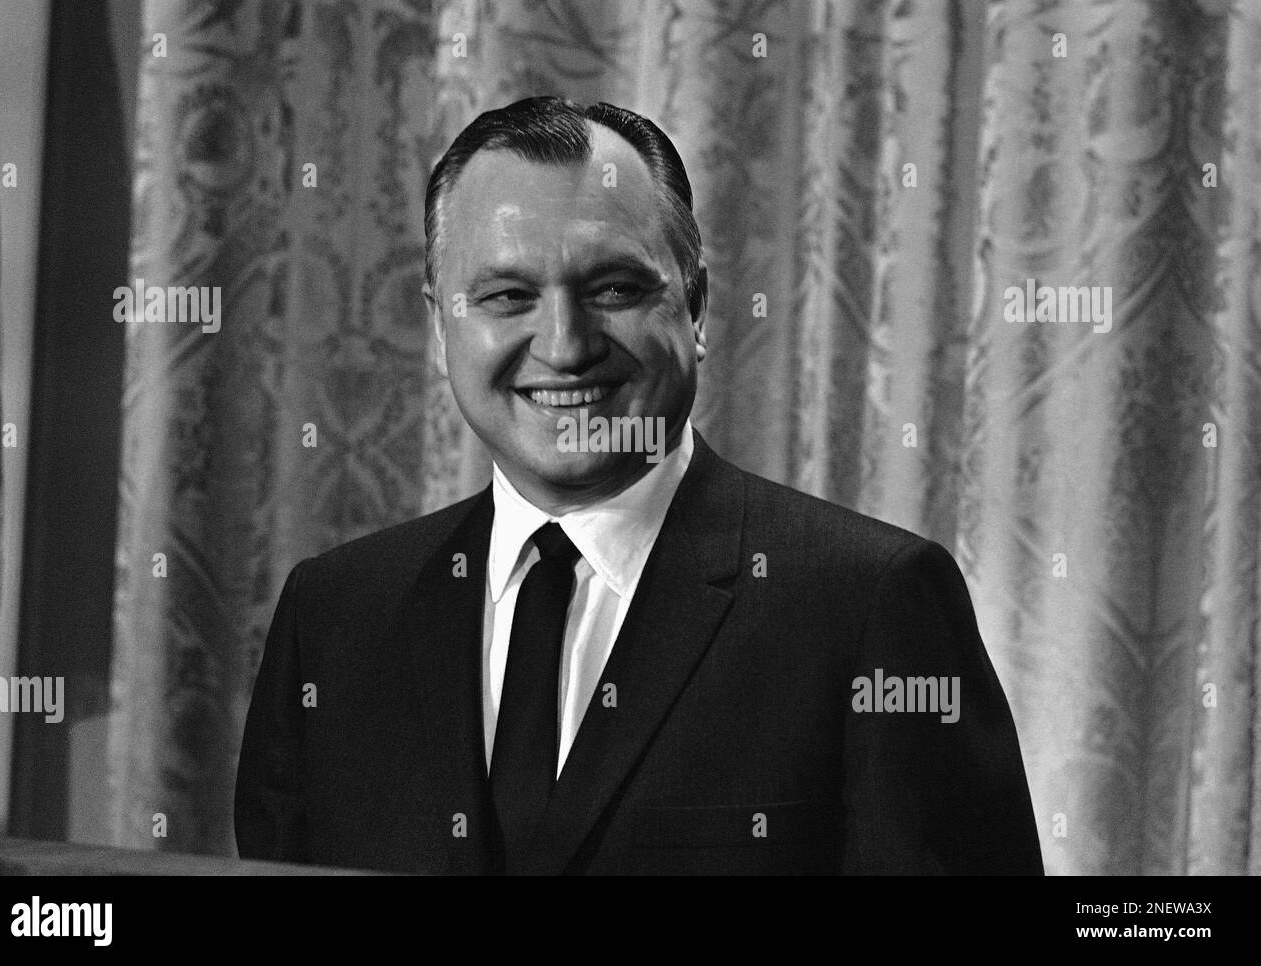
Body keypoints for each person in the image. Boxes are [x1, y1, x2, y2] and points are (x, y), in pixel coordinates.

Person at [235, 96, 1044, 875]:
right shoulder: (334, 618)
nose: (563, 344)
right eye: (508, 296)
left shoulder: (871, 607)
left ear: (696, 307)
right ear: (441, 329)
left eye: (614, 290)